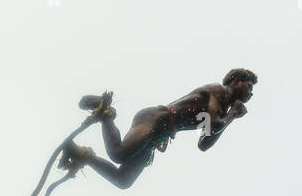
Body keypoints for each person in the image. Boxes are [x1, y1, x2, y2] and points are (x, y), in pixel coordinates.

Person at [63, 69, 257, 188]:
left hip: (160, 133)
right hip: (156, 118)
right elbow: (214, 125)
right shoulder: (219, 90)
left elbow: (205, 142)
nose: (251, 93)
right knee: (118, 154)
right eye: (249, 86)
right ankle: (107, 115)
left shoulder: (222, 109)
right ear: (235, 81)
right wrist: (232, 115)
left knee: (123, 180)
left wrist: (230, 117)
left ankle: (83, 154)